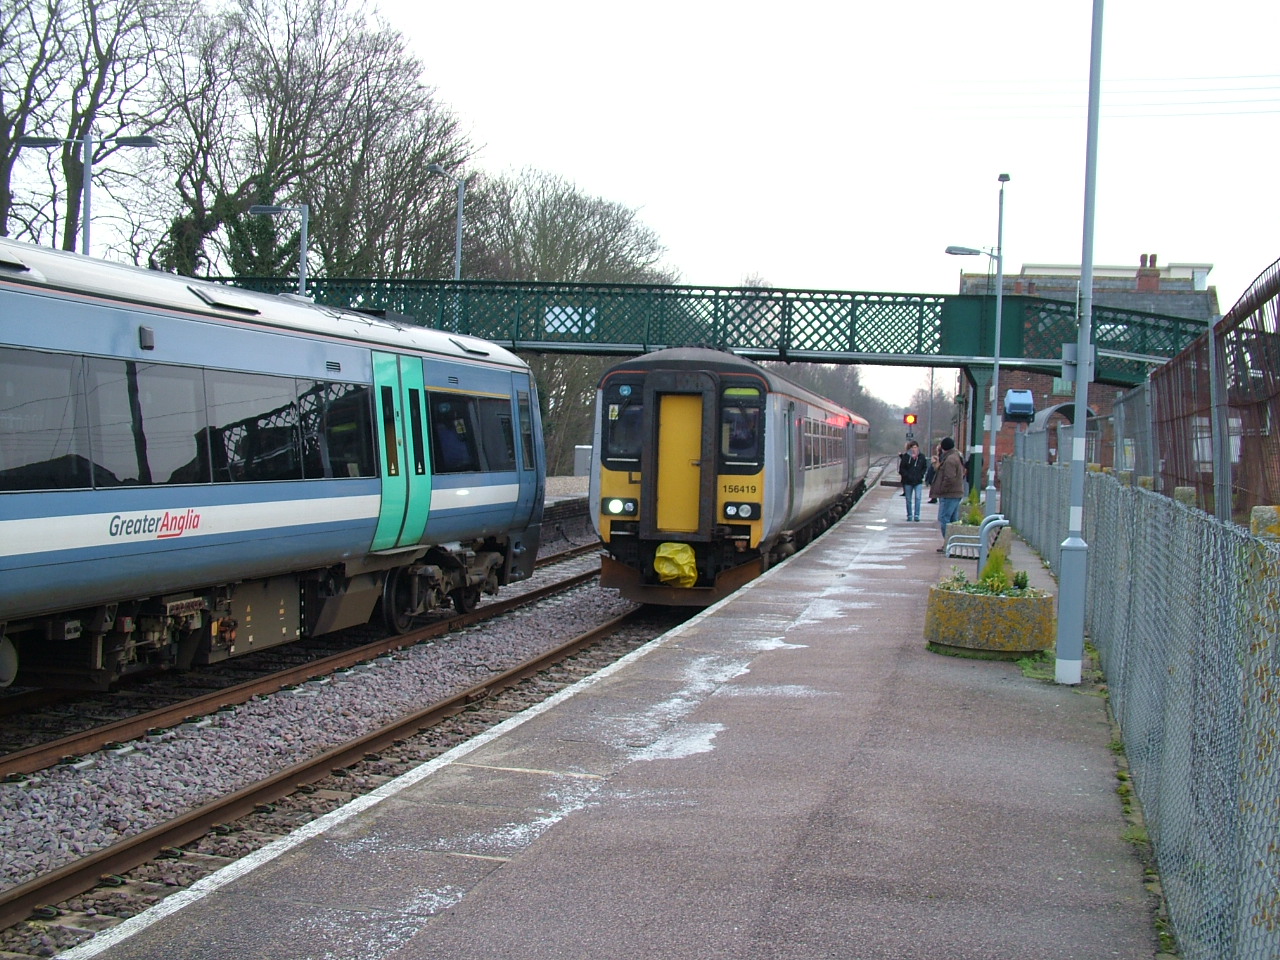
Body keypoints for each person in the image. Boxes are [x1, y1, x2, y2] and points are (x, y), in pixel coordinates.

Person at [930, 436, 966, 552]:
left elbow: (949, 478)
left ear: (944, 447)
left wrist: (942, 489)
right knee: (953, 519)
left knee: (944, 518)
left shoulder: (950, 459)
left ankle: (948, 543)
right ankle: (953, 543)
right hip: (955, 493)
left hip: (949, 494)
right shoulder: (955, 456)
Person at [896, 440, 928, 521]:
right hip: (908, 482)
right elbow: (902, 469)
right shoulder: (906, 457)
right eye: (913, 447)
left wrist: (921, 475)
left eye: (916, 447)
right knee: (908, 499)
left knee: (918, 498)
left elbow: (924, 467)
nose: (914, 449)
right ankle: (909, 515)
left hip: (918, 481)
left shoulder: (921, 457)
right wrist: (907, 475)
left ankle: (917, 515)